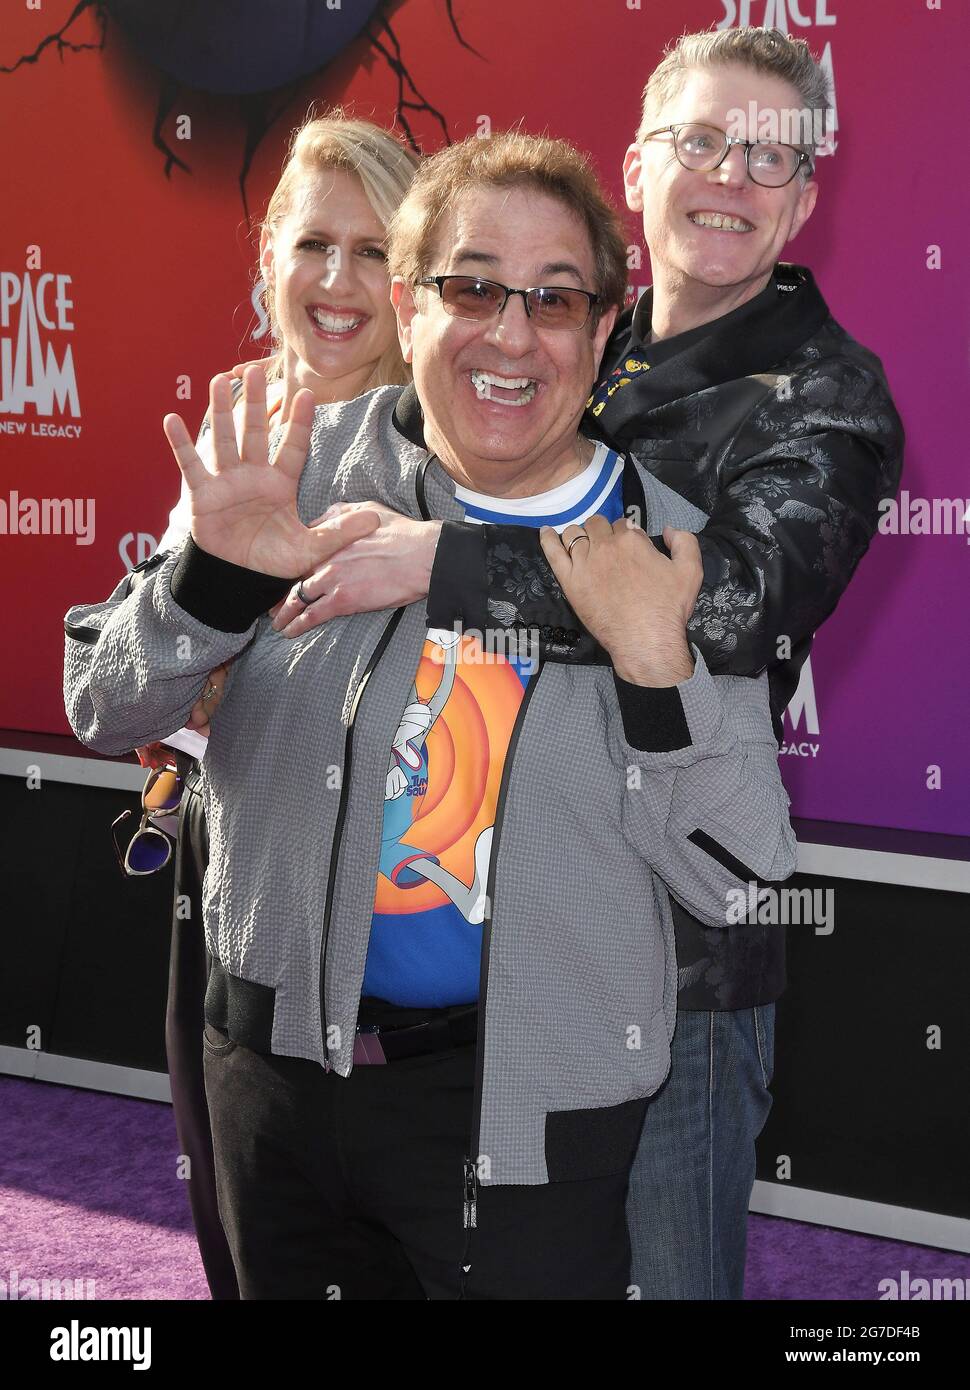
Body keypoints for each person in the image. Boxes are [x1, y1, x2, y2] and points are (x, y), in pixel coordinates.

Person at [64, 130, 797, 1300]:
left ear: (604, 328)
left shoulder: (667, 548)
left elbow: (740, 872)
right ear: (407, 306)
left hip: (524, 1115)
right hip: (275, 1095)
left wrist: (656, 665)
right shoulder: (289, 470)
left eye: (554, 299)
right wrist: (212, 582)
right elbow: (104, 706)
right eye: (469, 288)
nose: (511, 334)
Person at [266, 30, 904, 1299]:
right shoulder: (572, 329)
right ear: (638, 167)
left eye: (771, 155)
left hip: (672, 952)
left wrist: (438, 564)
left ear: (804, 199)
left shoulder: (829, 398)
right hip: (480, 931)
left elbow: (718, 604)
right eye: (702, 140)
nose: (732, 173)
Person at [138, 110, 420, 1300]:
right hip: (223, 878)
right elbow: (135, 678)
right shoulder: (238, 414)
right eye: (314, 245)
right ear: (270, 262)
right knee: (239, 1220)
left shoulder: (455, 435)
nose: (339, 281)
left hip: (397, 919)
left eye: (373, 252)